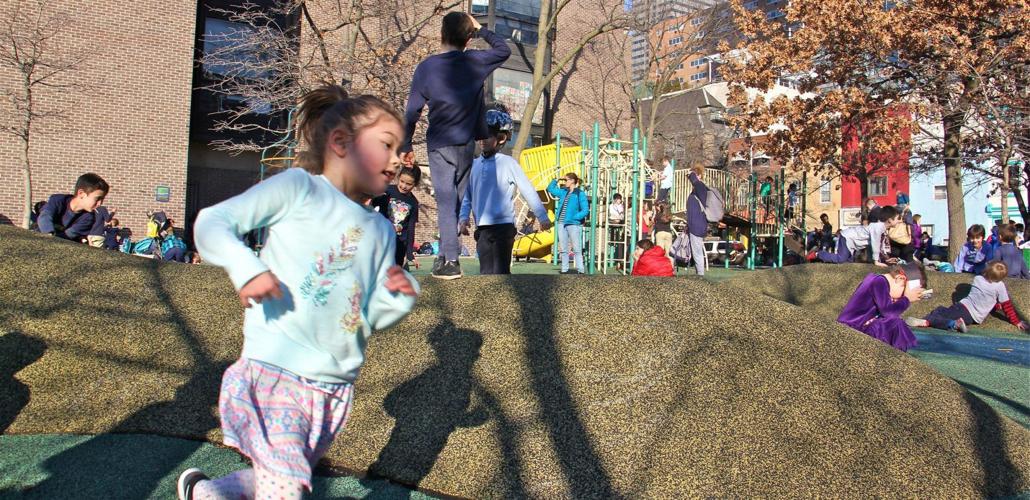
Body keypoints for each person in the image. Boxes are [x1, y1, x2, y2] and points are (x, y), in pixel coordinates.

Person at [179, 85, 419, 500]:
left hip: (333, 387)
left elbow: (366, 316)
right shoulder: (298, 190)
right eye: (387, 145)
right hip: (276, 369)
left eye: (401, 149)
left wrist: (396, 297)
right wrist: (246, 267)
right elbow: (211, 223)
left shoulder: (381, 228)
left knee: (279, 477)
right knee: (286, 485)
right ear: (341, 143)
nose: (399, 159)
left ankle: (206, 493)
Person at [399, 12, 511, 280]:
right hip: (465, 146)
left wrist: (405, 144)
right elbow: (503, 49)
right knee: (455, 201)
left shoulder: (427, 67)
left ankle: (450, 261)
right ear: (468, 38)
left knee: (447, 203)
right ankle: (443, 256)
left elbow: (413, 110)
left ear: (441, 34)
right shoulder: (475, 61)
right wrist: (481, 29)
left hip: (439, 144)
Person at [458, 107, 551, 275]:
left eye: (488, 136)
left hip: (504, 227)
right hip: (483, 228)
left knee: (501, 273)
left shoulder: (508, 163)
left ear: (500, 138)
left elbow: (527, 189)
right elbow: (467, 196)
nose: (482, 140)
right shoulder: (474, 165)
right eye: (480, 136)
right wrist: (463, 217)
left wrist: (542, 216)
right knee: (486, 273)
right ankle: (489, 301)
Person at [907, 261, 1028, 333]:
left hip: (964, 307)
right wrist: (1016, 321)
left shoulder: (978, 279)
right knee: (943, 312)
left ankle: (935, 322)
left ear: (987, 271)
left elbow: (984, 295)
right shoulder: (999, 287)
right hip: (974, 317)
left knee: (940, 311)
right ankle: (929, 321)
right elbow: (1007, 306)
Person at [837, 262, 925, 351]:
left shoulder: (876, 280)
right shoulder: (879, 281)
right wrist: (907, 299)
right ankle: (897, 356)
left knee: (892, 323)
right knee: (895, 323)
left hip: (859, 327)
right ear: (899, 278)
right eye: (903, 293)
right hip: (852, 328)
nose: (900, 298)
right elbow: (888, 312)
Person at [371, 165, 421, 270]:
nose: (403, 186)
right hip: (382, 240)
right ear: (398, 178)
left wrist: (409, 253)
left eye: (409, 184)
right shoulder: (388, 191)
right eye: (402, 181)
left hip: (399, 245)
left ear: (415, 184)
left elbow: (411, 229)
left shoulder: (414, 203)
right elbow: (371, 203)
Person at [35, 173, 108, 242]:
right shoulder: (58, 200)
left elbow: (68, 235)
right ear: (81, 194)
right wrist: (48, 233)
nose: (100, 203)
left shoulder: (88, 219)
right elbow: (44, 217)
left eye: (102, 199)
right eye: (97, 198)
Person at [547, 172, 589, 274]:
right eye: (565, 180)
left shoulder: (580, 193)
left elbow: (585, 210)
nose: (565, 182)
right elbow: (550, 189)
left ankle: (580, 270)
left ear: (572, 181)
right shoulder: (563, 192)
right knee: (563, 249)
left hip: (573, 224)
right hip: (561, 223)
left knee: (576, 249)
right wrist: (556, 179)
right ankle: (564, 270)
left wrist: (575, 217)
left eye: (566, 180)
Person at [686, 163, 709, 276]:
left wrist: (691, 174)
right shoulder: (697, 190)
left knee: (697, 253)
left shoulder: (700, 186)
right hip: (694, 226)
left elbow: (694, 179)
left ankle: (700, 275)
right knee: (696, 252)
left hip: (696, 227)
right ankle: (699, 274)